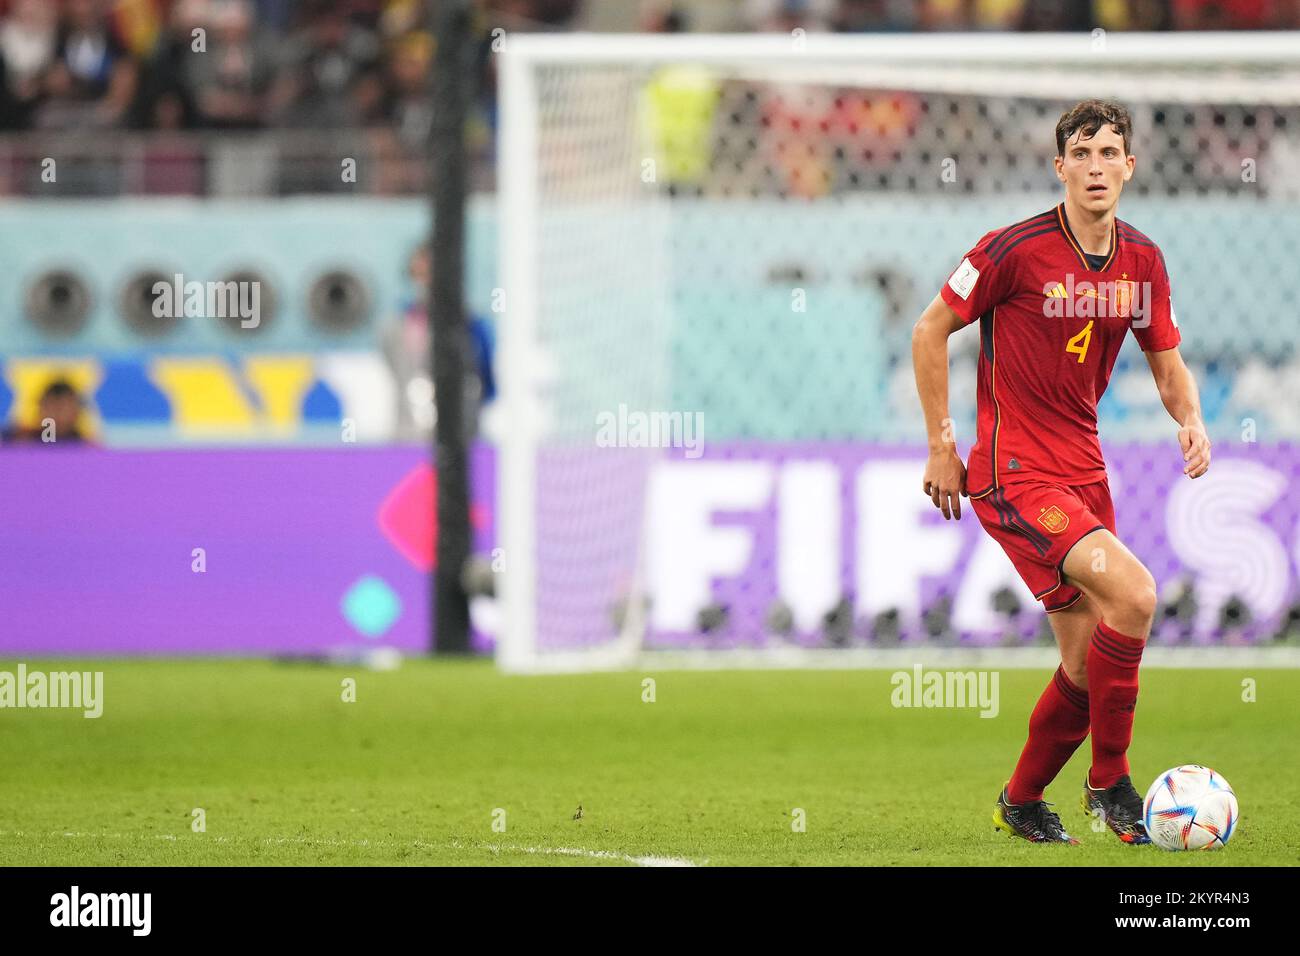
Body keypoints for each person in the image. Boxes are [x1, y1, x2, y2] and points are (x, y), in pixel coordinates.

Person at [911, 100, 1211, 845]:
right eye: (1082, 153)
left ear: (1130, 167)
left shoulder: (1142, 262)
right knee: (1136, 595)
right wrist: (942, 444)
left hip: (1084, 473)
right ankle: (1110, 783)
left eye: (1111, 152)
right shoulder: (1011, 249)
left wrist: (1192, 420)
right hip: (1014, 475)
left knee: (1084, 664)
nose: (1097, 166)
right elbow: (929, 329)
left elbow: (1166, 364)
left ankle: (1019, 801)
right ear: (1061, 168)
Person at [2, 379, 92, 444]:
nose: (57, 415)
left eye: (63, 408)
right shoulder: (20, 440)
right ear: (40, 409)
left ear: (77, 411)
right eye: (50, 407)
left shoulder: (89, 449)